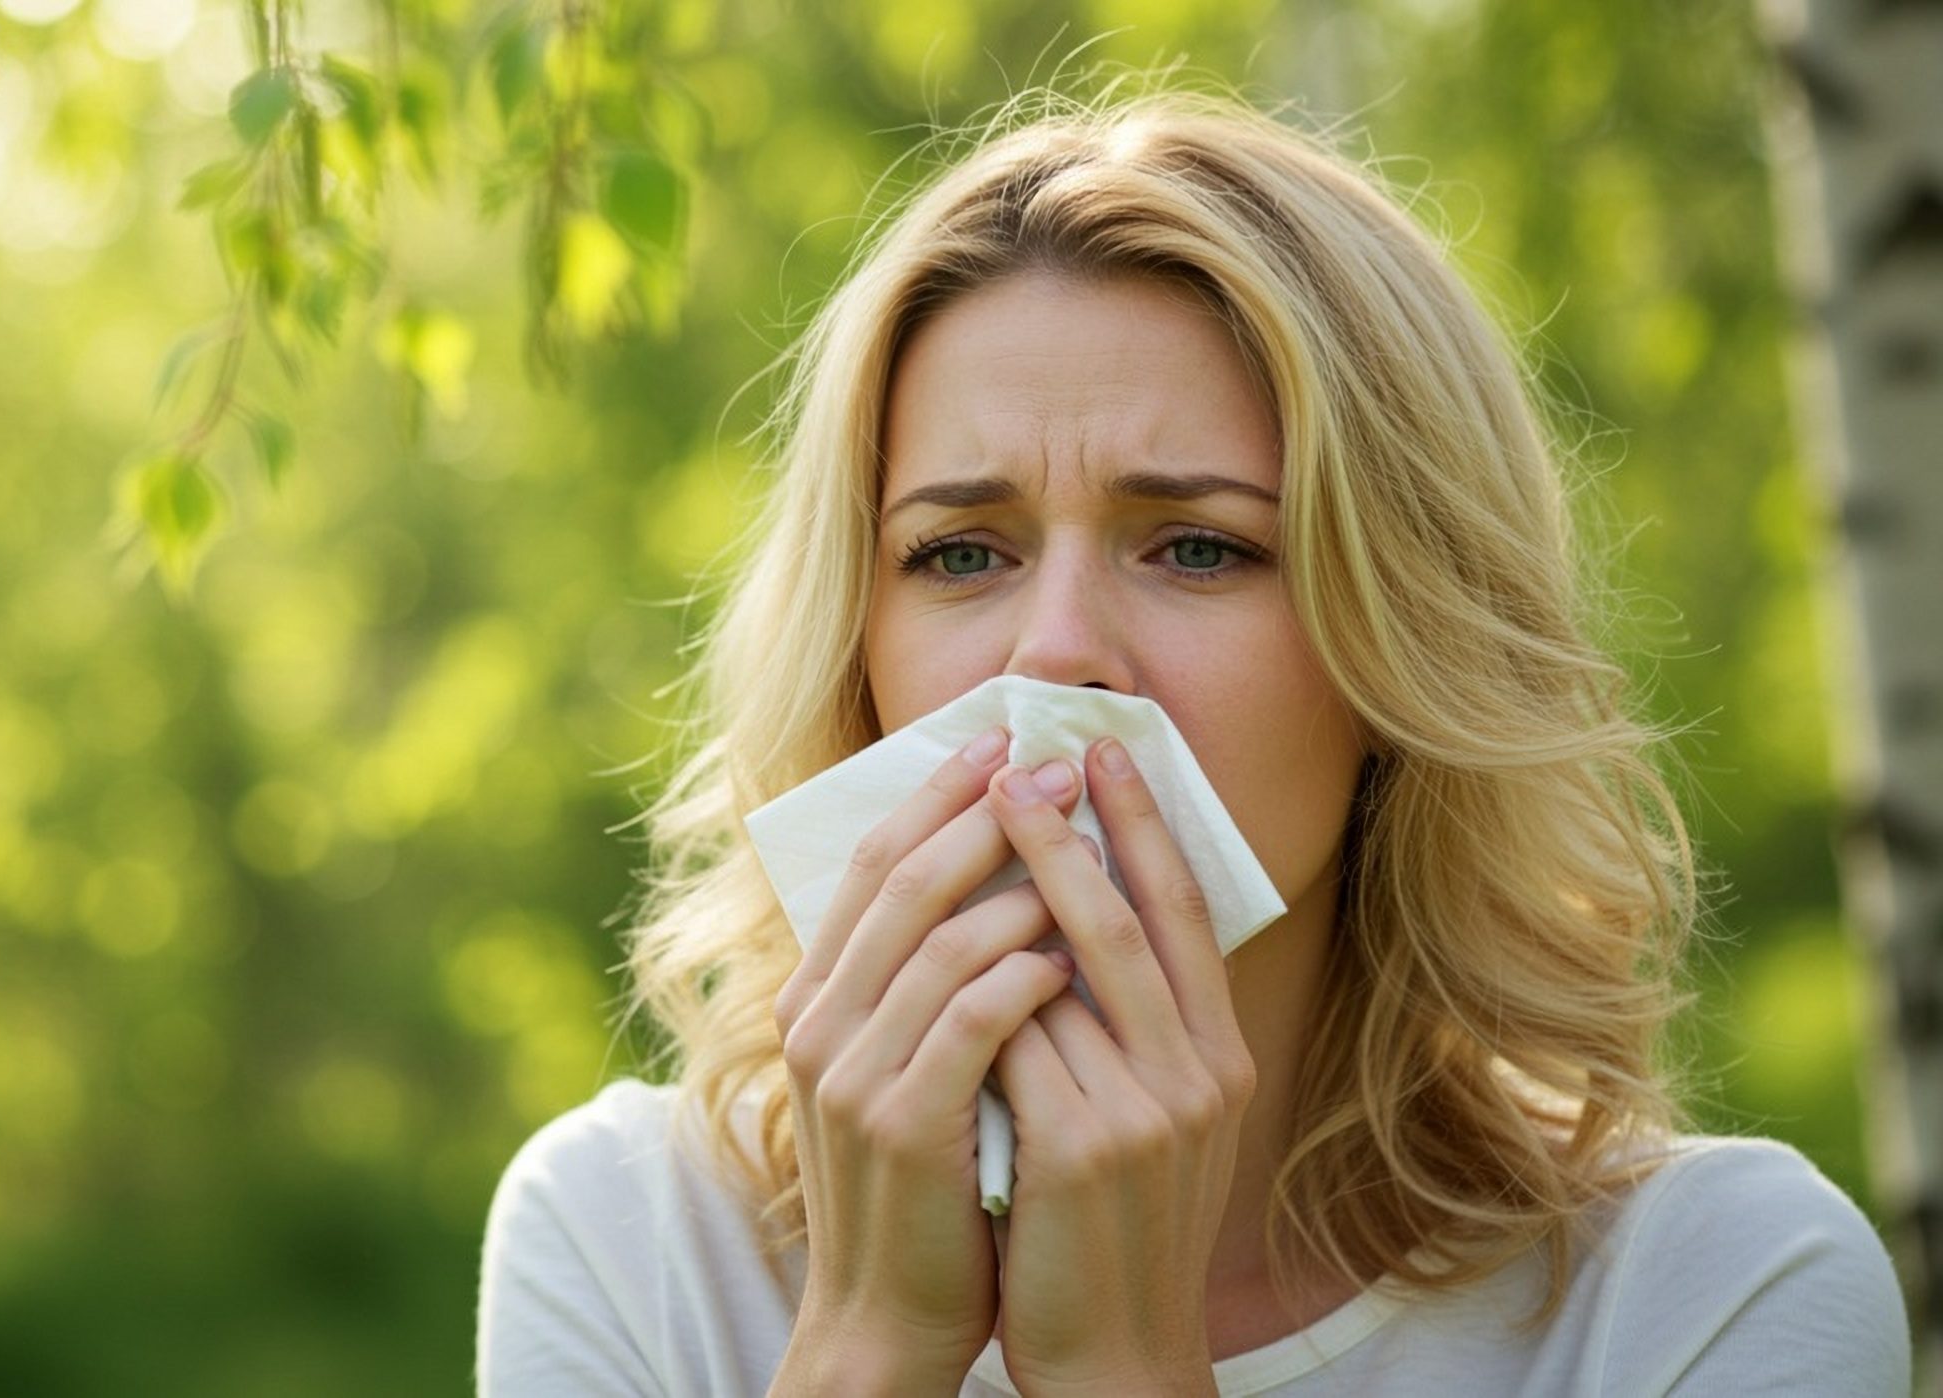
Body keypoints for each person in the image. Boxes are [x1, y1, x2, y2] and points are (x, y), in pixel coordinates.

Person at [476, 88, 1909, 1395]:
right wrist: (871, 1340)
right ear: (856, 653)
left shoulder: (1705, 1288)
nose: (1053, 654)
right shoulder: (631, 1242)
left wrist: (1118, 1364)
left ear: (1405, 649)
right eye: (962, 553)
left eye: (1198, 548)